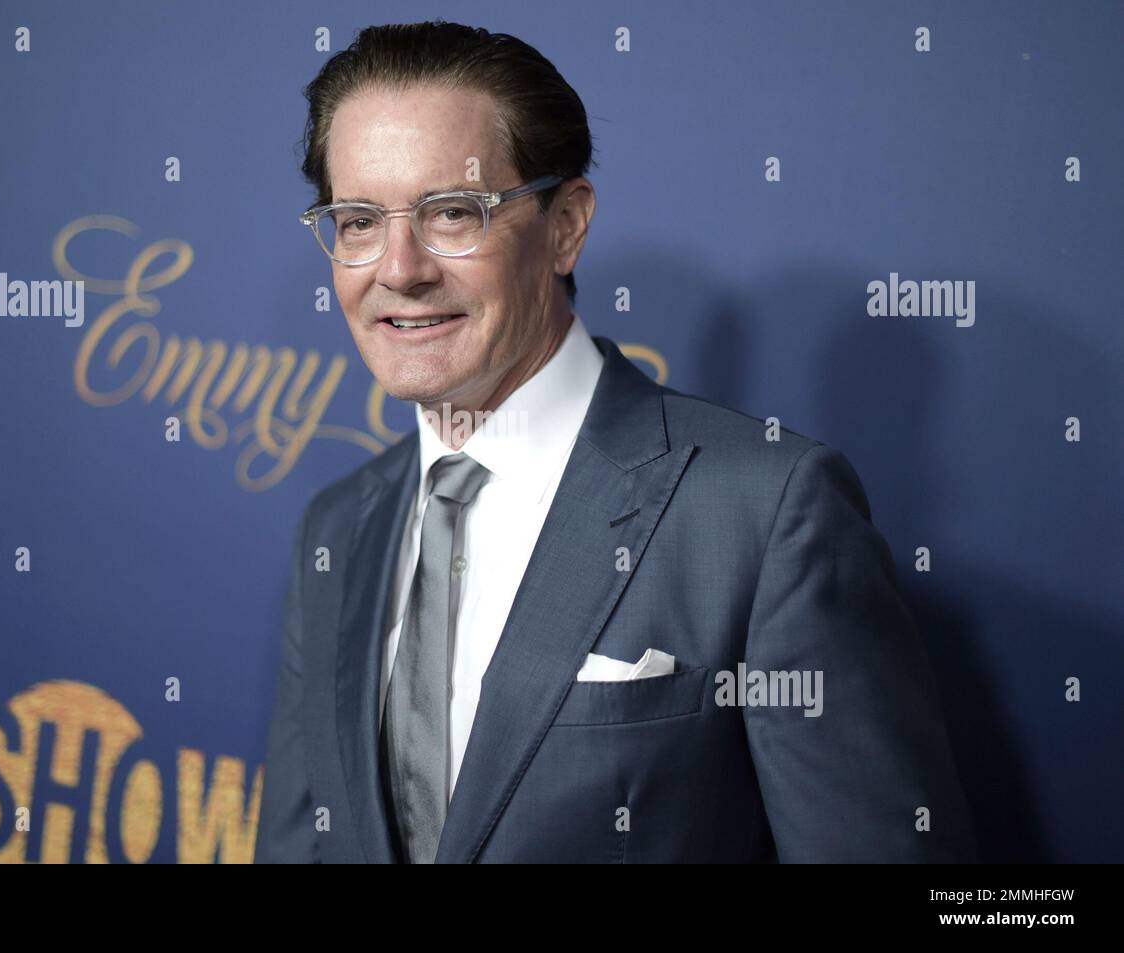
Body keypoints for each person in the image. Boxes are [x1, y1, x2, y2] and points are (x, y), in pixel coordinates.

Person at [254, 20, 977, 863]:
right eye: (359, 221)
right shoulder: (336, 528)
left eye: (455, 212)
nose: (401, 267)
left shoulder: (766, 512)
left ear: (566, 225)